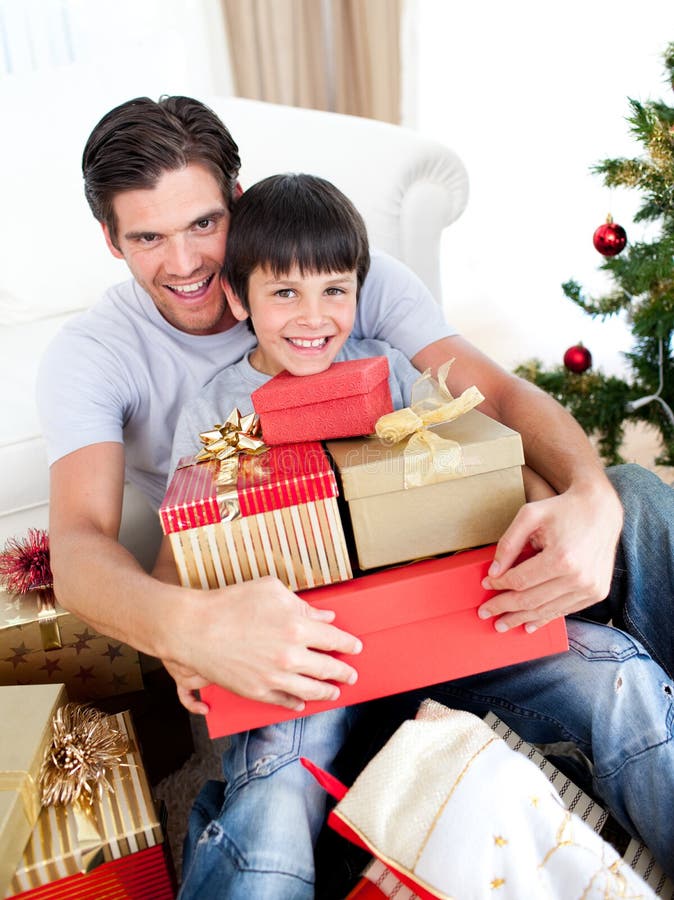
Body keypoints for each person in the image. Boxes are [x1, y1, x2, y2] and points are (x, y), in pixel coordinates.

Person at [35, 96, 674, 892]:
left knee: (634, 521)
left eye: (204, 223)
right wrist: (184, 630)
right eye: (148, 238)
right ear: (111, 239)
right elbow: (89, 549)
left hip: (438, 606)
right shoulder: (115, 363)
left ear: (237, 200)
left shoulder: (346, 285)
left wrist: (583, 500)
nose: (188, 260)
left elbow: (495, 408)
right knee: (276, 794)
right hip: (296, 639)